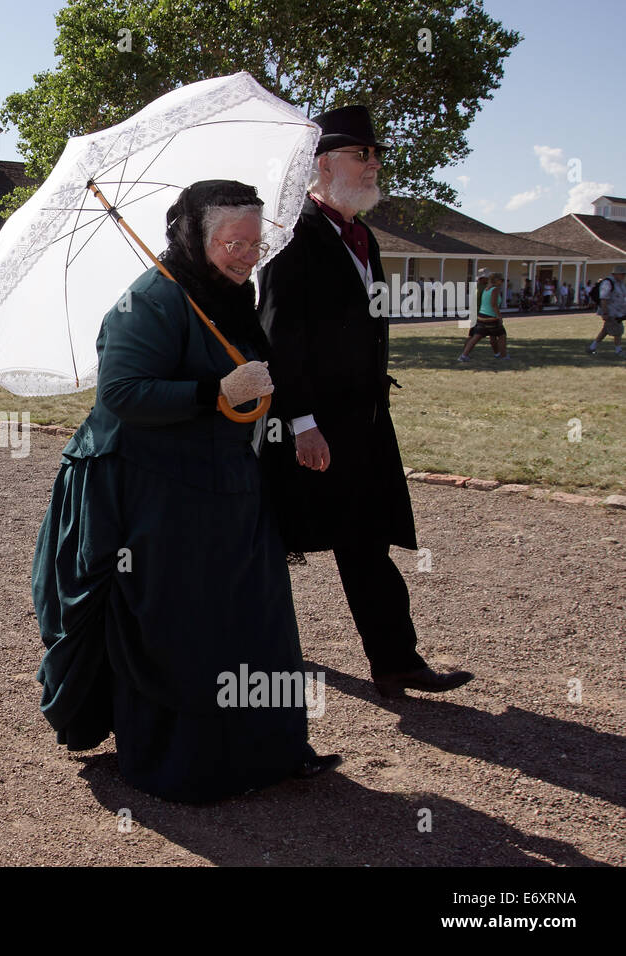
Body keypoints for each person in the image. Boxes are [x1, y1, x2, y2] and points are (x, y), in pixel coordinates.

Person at [32, 180, 340, 804]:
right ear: (193, 237)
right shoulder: (148, 301)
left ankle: (273, 750)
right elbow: (120, 395)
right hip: (151, 487)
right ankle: (187, 766)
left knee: (258, 616)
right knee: (184, 627)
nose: (247, 255)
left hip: (226, 482)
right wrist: (215, 393)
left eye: (255, 242)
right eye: (232, 242)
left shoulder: (233, 294)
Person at [258, 105, 473, 700]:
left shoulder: (364, 236)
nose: (374, 164)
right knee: (271, 543)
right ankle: (250, 652)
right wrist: (301, 422)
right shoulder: (291, 236)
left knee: (365, 540)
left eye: (376, 155)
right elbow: (279, 338)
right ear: (323, 164)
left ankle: (396, 662)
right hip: (309, 426)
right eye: (362, 155)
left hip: (365, 424)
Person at [459, 273, 509, 361]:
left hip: (482, 316)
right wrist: (499, 317)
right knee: (502, 335)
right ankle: (503, 356)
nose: (502, 282)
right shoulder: (495, 289)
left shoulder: (486, 289)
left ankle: (463, 355)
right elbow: (494, 305)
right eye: (501, 280)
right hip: (491, 316)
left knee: (477, 336)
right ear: (496, 280)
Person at [587, 265, 625, 356]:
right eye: (622, 274)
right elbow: (603, 299)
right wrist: (605, 313)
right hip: (611, 311)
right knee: (618, 330)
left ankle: (592, 347)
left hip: (618, 311)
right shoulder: (608, 283)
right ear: (616, 274)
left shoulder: (620, 283)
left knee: (605, 330)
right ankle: (618, 351)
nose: (624, 276)